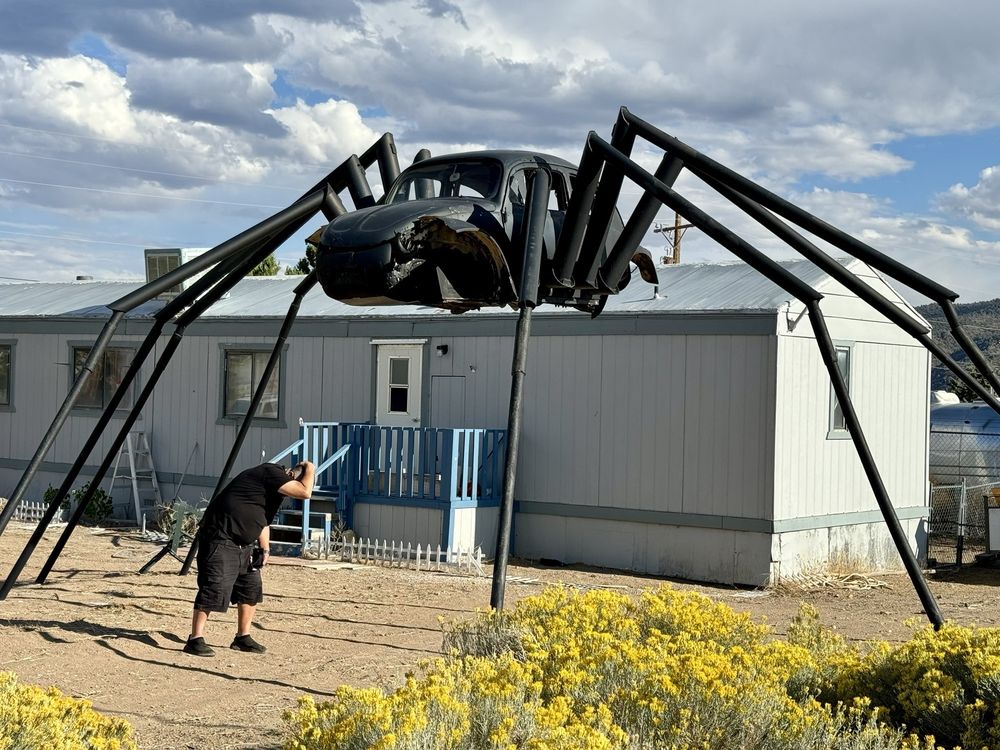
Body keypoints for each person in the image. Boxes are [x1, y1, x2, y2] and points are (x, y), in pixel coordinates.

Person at [183, 460, 315, 656]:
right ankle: (195, 639)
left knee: (250, 588)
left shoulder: (273, 492)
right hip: (220, 538)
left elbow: (263, 521)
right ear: (290, 476)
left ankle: (242, 637)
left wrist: (265, 549)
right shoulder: (270, 472)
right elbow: (305, 493)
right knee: (214, 587)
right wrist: (310, 467)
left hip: (244, 545)